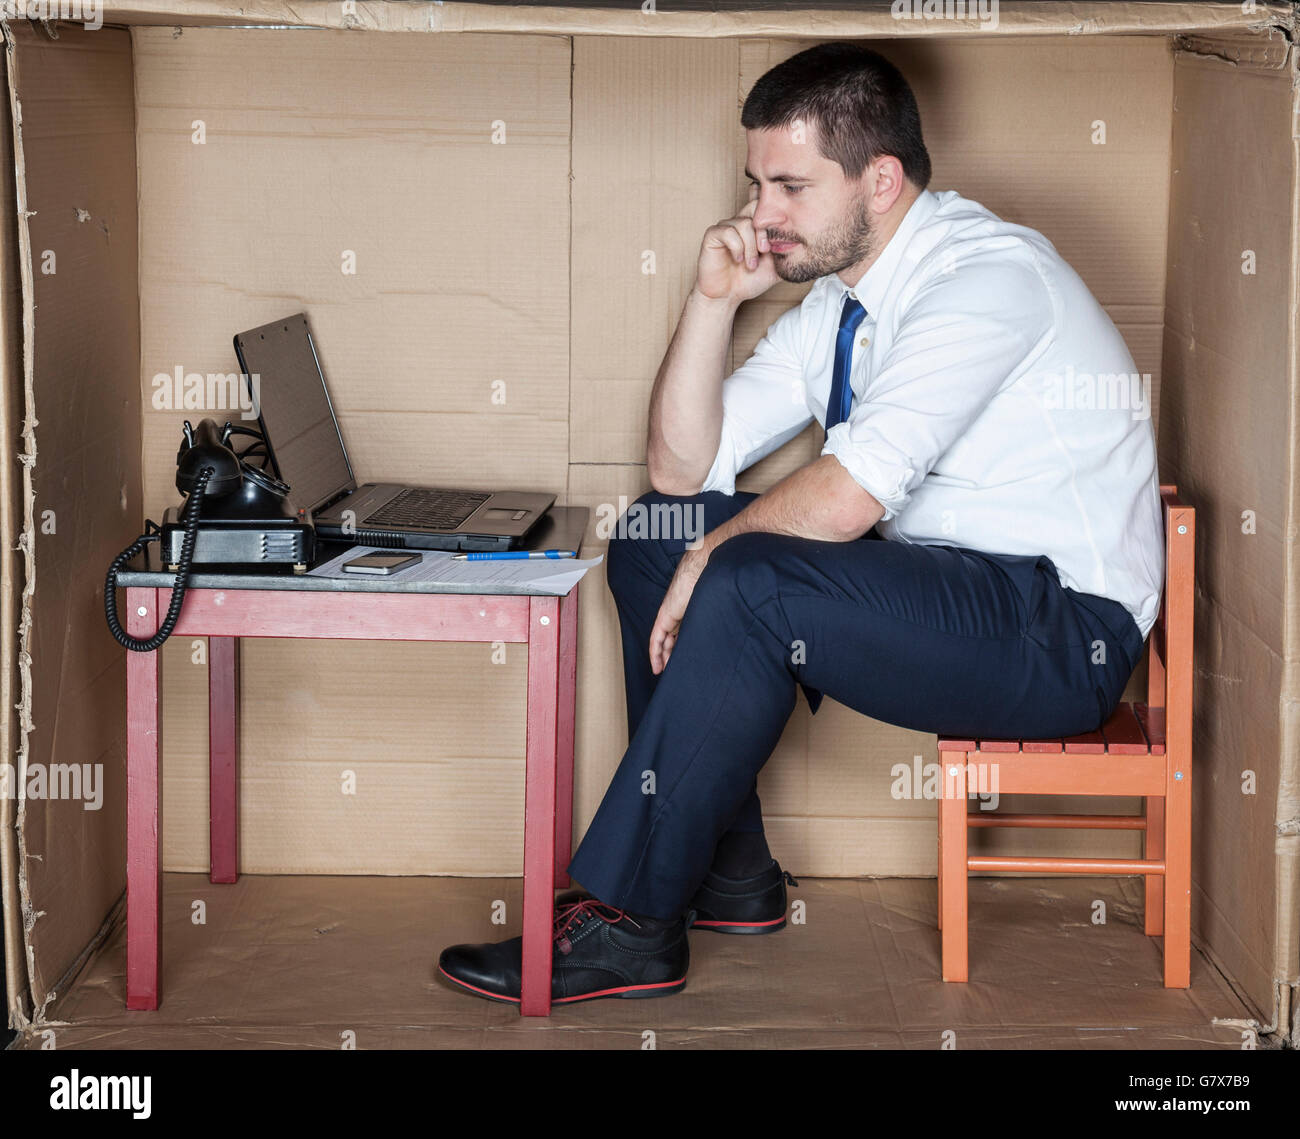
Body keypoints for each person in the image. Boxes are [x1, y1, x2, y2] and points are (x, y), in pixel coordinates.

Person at [437, 40, 1164, 1006]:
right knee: (657, 538)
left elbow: (854, 493)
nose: (759, 218)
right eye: (754, 185)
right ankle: (730, 876)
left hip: (1062, 630)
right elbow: (680, 467)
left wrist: (720, 552)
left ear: (881, 180)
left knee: (742, 576)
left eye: (789, 187)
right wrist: (710, 305)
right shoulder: (841, 301)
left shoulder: (986, 280)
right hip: (954, 588)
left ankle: (630, 925)